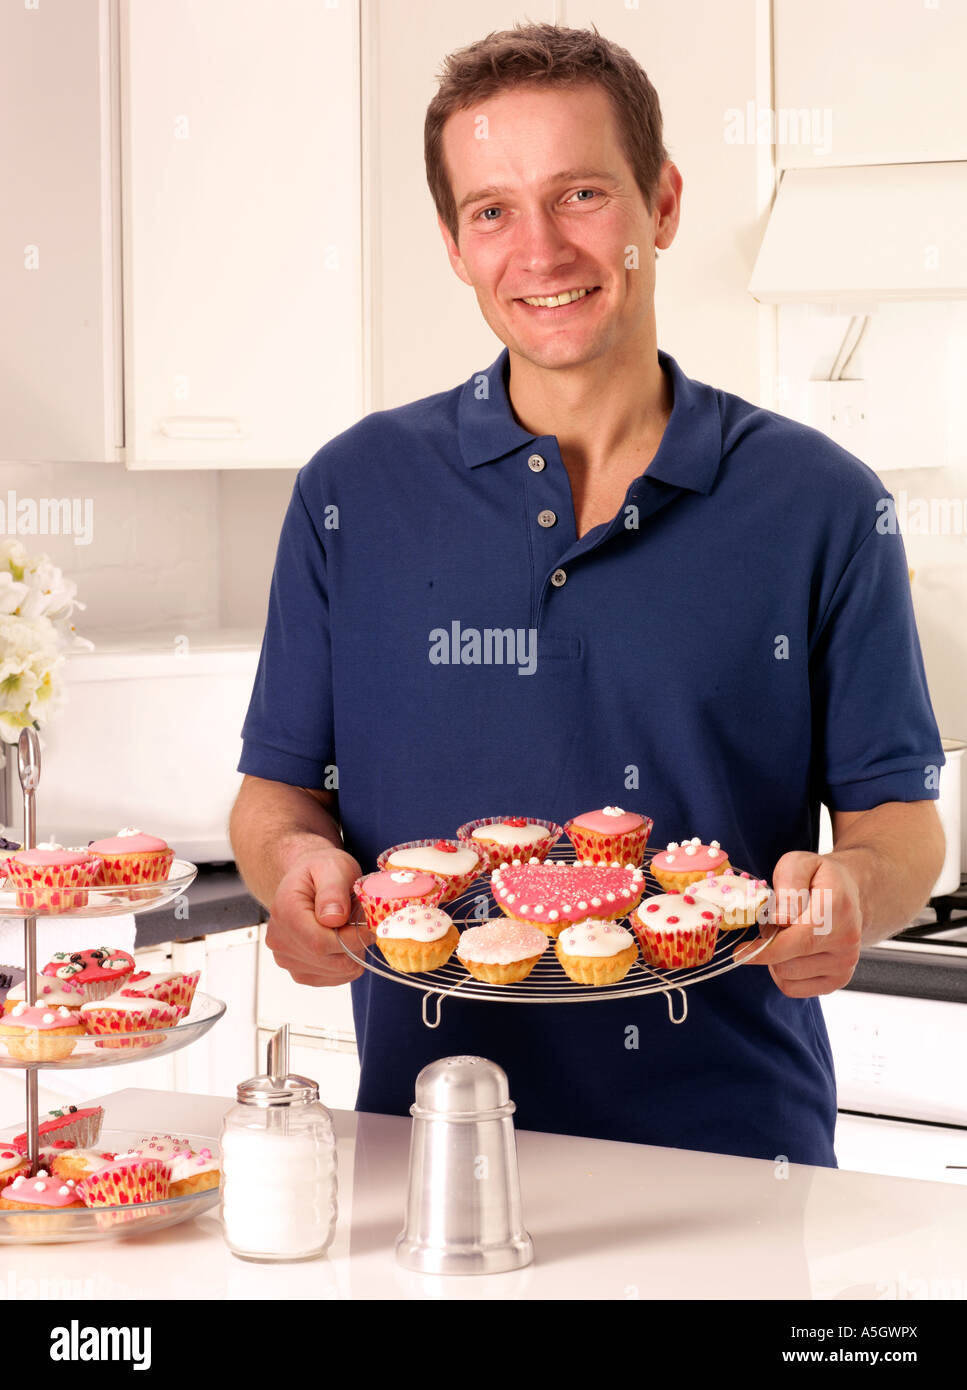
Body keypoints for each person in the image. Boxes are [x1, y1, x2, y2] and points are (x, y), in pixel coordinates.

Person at [230, 23, 945, 1166]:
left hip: (733, 1161)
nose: (541, 250)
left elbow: (901, 825)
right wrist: (292, 871)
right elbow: (274, 797)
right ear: (455, 245)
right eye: (492, 210)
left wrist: (854, 886)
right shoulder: (349, 492)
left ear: (659, 204)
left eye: (579, 194)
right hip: (422, 1154)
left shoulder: (819, 502)